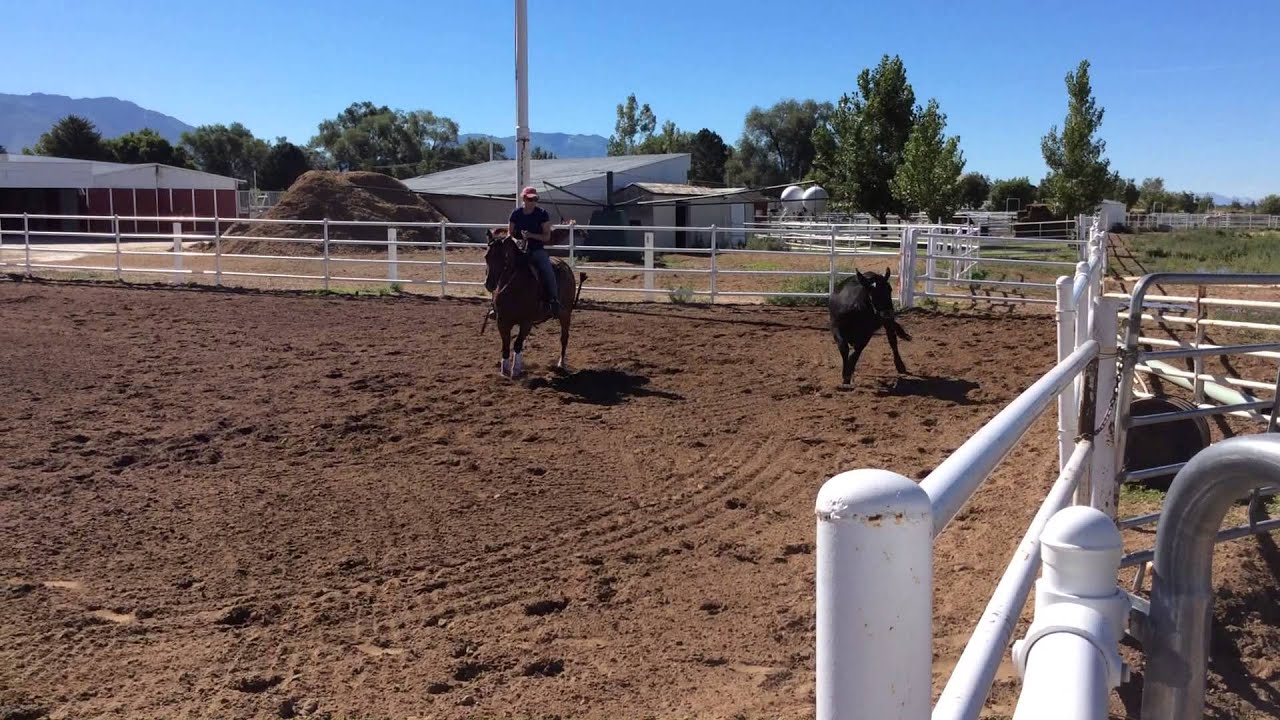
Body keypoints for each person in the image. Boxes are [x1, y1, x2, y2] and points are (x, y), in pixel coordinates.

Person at [508, 186, 560, 315]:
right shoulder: (516, 213)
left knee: (547, 270)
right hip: (518, 250)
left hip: (536, 250)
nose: (532, 202)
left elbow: (546, 236)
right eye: (529, 199)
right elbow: (511, 233)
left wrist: (531, 235)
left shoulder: (542, 214)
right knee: (501, 268)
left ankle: (553, 300)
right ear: (523, 199)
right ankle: (496, 301)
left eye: (534, 199)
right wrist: (518, 241)